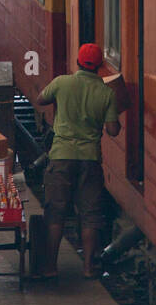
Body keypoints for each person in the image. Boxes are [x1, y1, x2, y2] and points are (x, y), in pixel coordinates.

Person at [35, 43, 120, 280]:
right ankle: (88, 267)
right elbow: (113, 130)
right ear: (100, 67)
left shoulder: (62, 82)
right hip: (89, 160)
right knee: (90, 213)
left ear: (78, 63)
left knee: (55, 211)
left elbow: (41, 99)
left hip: (61, 156)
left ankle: (50, 266)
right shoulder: (107, 93)